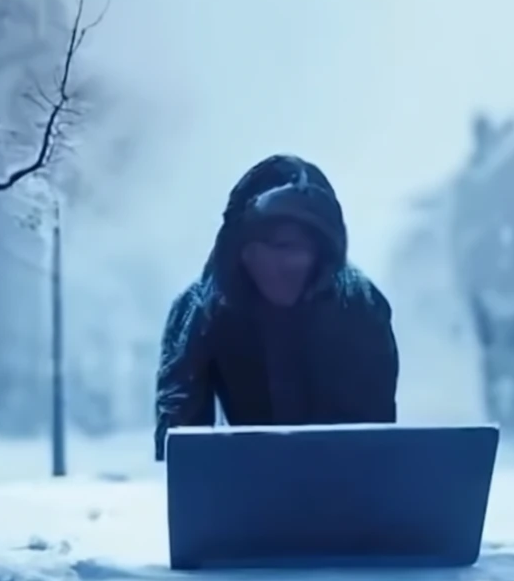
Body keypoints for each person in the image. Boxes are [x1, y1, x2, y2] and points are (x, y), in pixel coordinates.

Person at [154, 154, 399, 460]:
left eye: (294, 248)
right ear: (241, 251)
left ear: (318, 252)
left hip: (343, 485)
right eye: (268, 246)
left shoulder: (361, 307)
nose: (280, 264)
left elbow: (375, 443)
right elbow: (179, 449)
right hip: (242, 489)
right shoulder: (200, 311)